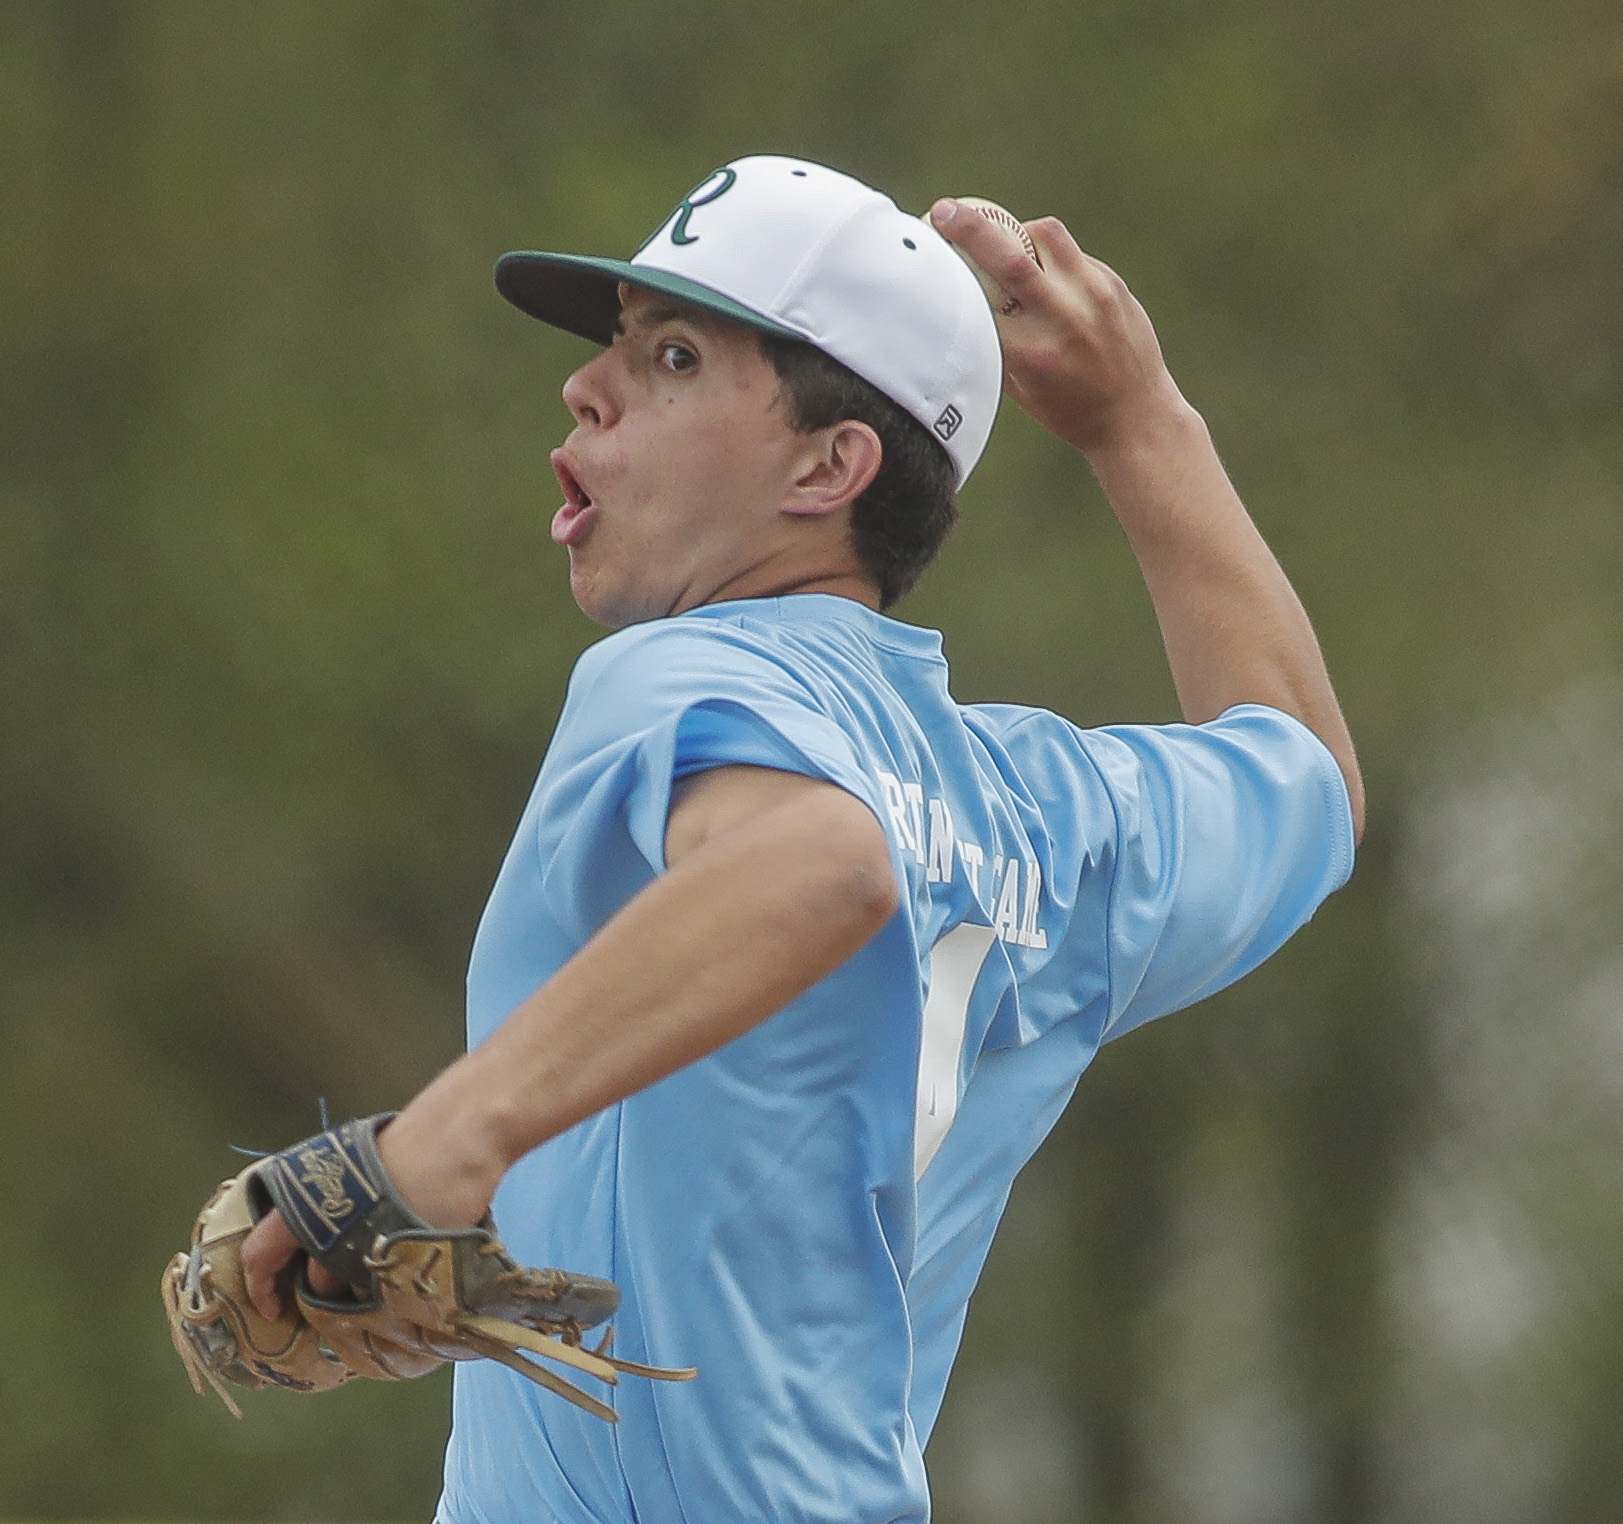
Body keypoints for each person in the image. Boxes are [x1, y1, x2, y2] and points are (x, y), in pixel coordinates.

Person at [234, 154, 1360, 1524]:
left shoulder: (689, 678)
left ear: (833, 466)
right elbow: (1303, 778)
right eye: (616, 348)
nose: (591, 386)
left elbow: (821, 867)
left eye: (677, 356)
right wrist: (1142, 427)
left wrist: (443, 1144)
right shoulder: (1044, 816)